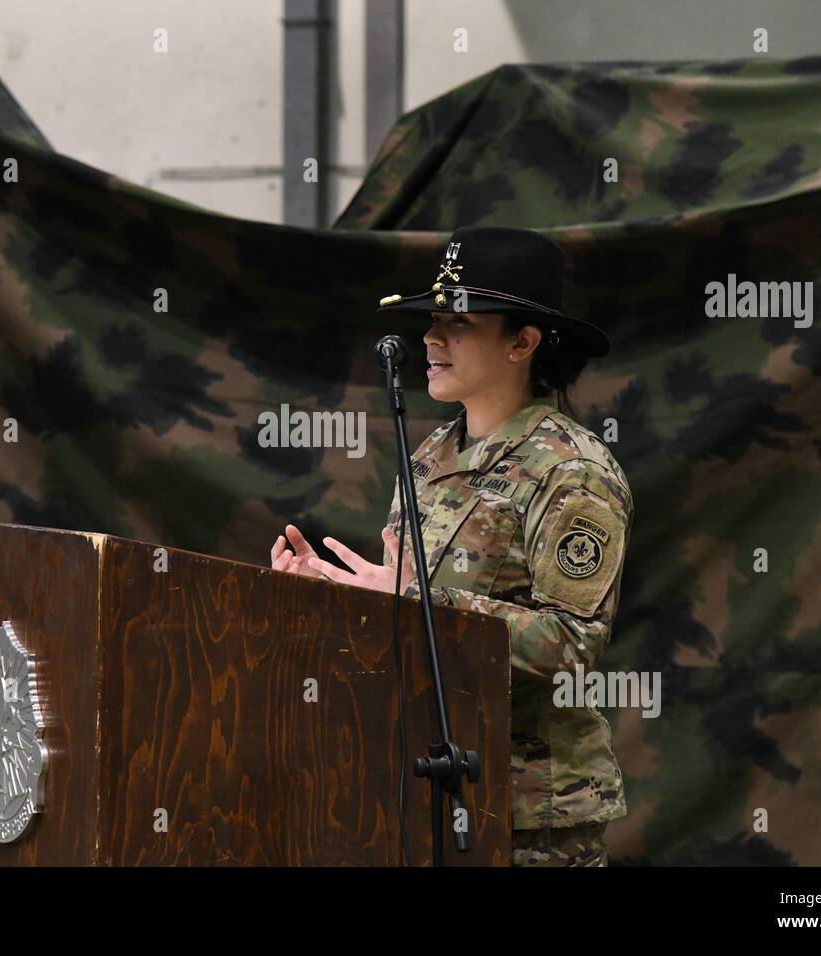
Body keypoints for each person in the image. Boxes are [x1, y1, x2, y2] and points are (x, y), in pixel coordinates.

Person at [270, 226, 633, 866]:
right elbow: (409, 619)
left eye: (457, 323)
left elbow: (573, 647)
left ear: (522, 342)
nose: (431, 340)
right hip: (425, 786)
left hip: (529, 815)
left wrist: (415, 600)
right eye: (432, 322)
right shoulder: (433, 453)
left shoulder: (571, 469)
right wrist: (335, 597)